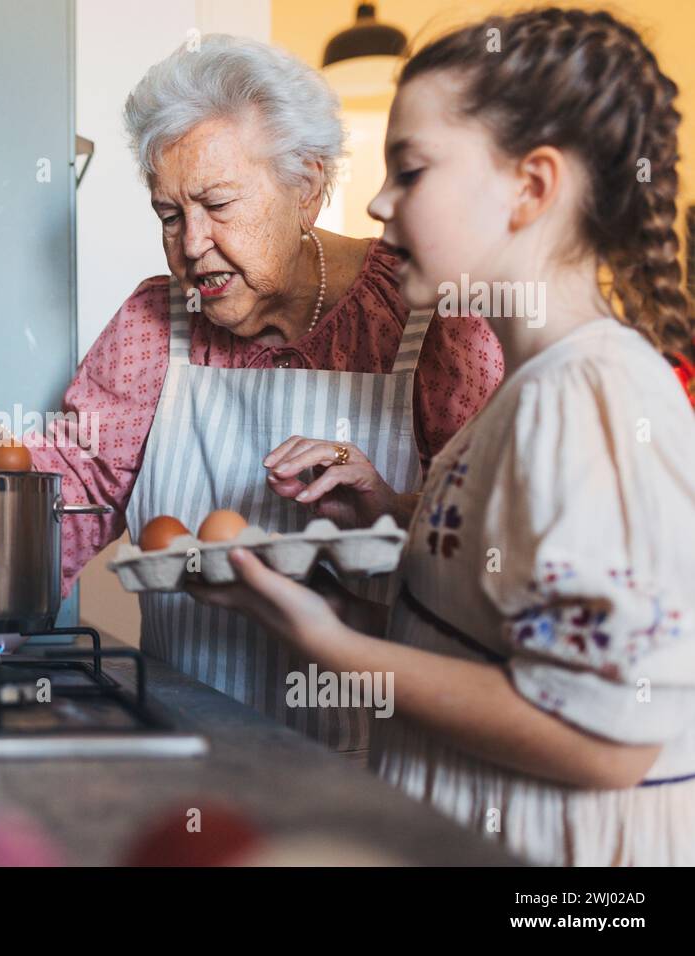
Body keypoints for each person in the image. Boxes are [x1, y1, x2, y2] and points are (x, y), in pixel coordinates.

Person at [188, 7, 695, 865]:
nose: (380, 202)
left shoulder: (587, 395)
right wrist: (380, 545)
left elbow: (605, 737)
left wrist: (330, 645)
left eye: (410, 170)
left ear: (531, 188)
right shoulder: (532, 391)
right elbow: (502, 634)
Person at [0, 34, 502, 752]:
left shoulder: (431, 317)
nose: (191, 244)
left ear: (307, 187)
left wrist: (389, 505)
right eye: (168, 214)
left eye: (218, 204)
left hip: (385, 764)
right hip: (191, 746)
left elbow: (490, 558)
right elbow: (73, 495)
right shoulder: (155, 324)